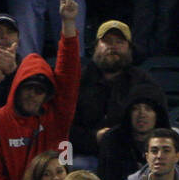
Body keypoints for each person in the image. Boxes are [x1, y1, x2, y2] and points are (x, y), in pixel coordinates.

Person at [0, 0, 80, 180]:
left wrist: (68, 24)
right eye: (28, 88)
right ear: (17, 88)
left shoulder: (57, 116)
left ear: (47, 95)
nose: (33, 95)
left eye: (39, 91)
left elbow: (68, 73)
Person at [69, 19, 166, 167]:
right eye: (107, 41)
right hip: (85, 153)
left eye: (120, 42)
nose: (113, 47)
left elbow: (159, 125)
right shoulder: (78, 81)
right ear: (95, 47)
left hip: (130, 155)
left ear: (129, 48)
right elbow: (65, 127)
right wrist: (94, 137)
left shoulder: (144, 82)